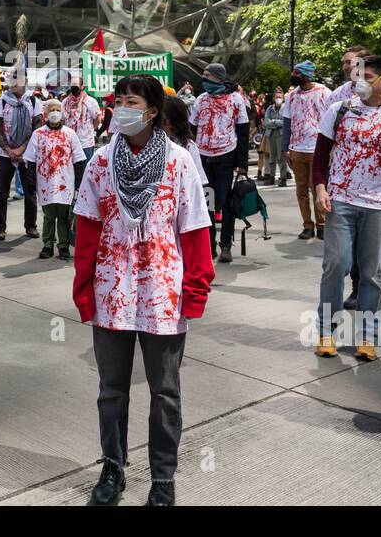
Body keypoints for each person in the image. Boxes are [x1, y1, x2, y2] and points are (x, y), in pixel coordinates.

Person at [74, 74, 214, 506]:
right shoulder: (100, 161)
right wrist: (83, 289)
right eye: (118, 102)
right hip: (111, 292)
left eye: (131, 102)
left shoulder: (179, 161)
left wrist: (195, 290)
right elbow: (87, 227)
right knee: (111, 390)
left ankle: (163, 477)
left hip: (162, 293)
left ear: (153, 111)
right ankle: (113, 467)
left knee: (165, 393)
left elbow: (194, 230)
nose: (121, 109)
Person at [312, 55, 381, 360]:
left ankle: (367, 337)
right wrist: (320, 188)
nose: (360, 81)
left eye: (368, 76)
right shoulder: (339, 110)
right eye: (358, 75)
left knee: (371, 273)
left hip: (380, 204)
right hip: (341, 200)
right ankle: (326, 332)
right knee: (336, 265)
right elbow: (321, 156)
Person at [188, 62, 249, 263]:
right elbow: (192, 128)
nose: (204, 79)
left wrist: (242, 164)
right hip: (204, 158)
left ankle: (225, 245)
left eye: (208, 76)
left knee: (226, 203)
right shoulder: (201, 100)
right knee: (208, 203)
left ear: (218, 78)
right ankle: (209, 243)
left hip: (226, 156)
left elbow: (243, 132)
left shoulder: (236, 99)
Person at [25, 98, 86, 260]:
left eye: (58, 110)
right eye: (52, 110)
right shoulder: (38, 134)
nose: (55, 113)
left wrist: (79, 184)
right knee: (49, 216)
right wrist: (30, 183)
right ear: (45, 113)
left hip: (65, 183)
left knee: (65, 216)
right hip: (45, 184)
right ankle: (47, 245)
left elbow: (79, 160)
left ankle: (64, 246)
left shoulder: (70, 134)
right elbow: (30, 160)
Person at [284, 61, 331, 239]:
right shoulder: (291, 96)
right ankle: (307, 225)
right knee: (301, 190)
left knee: (317, 187)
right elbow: (287, 122)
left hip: (317, 149)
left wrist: (331, 147)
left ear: (305, 75)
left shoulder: (324, 92)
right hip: (297, 149)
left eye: (296, 73)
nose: (293, 75)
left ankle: (322, 225)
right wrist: (284, 148)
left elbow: (332, 120)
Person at [0, 72, 41, 240]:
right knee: (1, 192)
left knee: (30, 191)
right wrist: (8, 149)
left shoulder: (34, 101)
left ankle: (31, 226)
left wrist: (22, 148)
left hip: (27, 154)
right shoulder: (3, 100)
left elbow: (36, 128)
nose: (14, 83)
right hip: (5, 154)